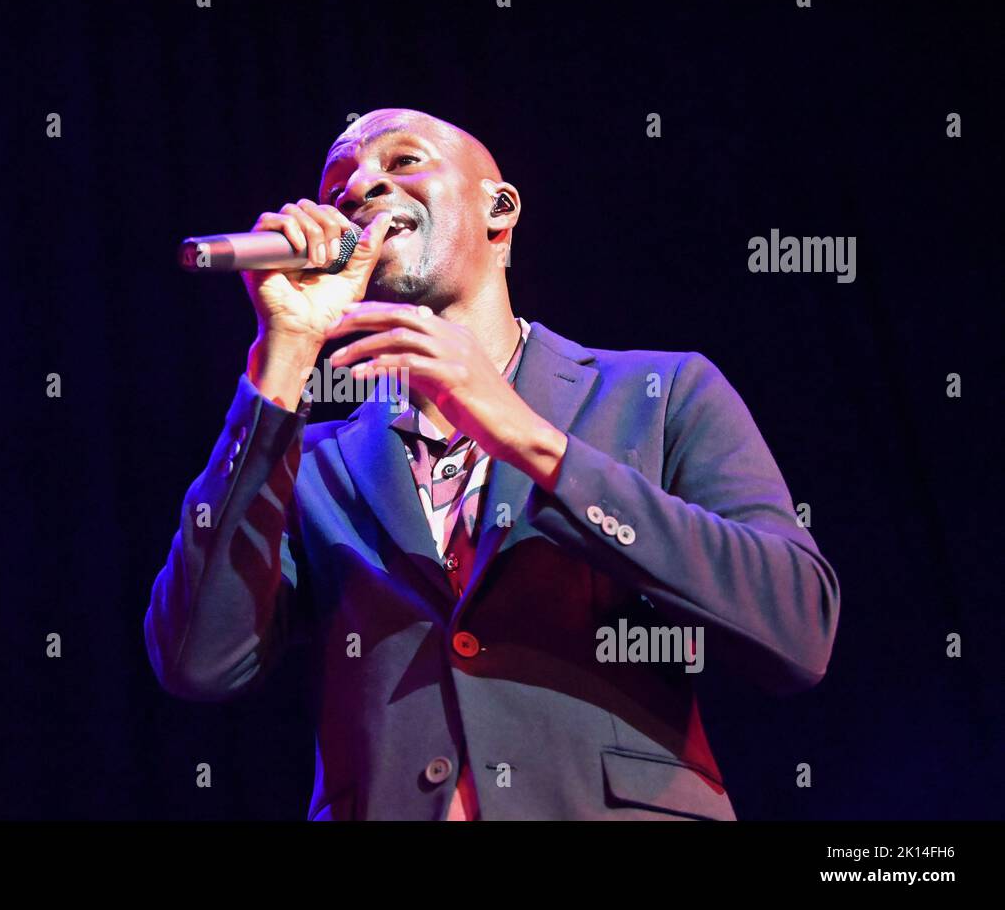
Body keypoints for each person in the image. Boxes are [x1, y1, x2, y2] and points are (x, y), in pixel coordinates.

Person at [145, 108, 840, 820]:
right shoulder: (313, 465)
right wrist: (285, 353)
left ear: (498, 211)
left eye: (403, 161)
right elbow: (199, 659)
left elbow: (796, 630)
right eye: (340, 184)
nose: (360, 188)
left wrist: (528, 438)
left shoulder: (658, 397)